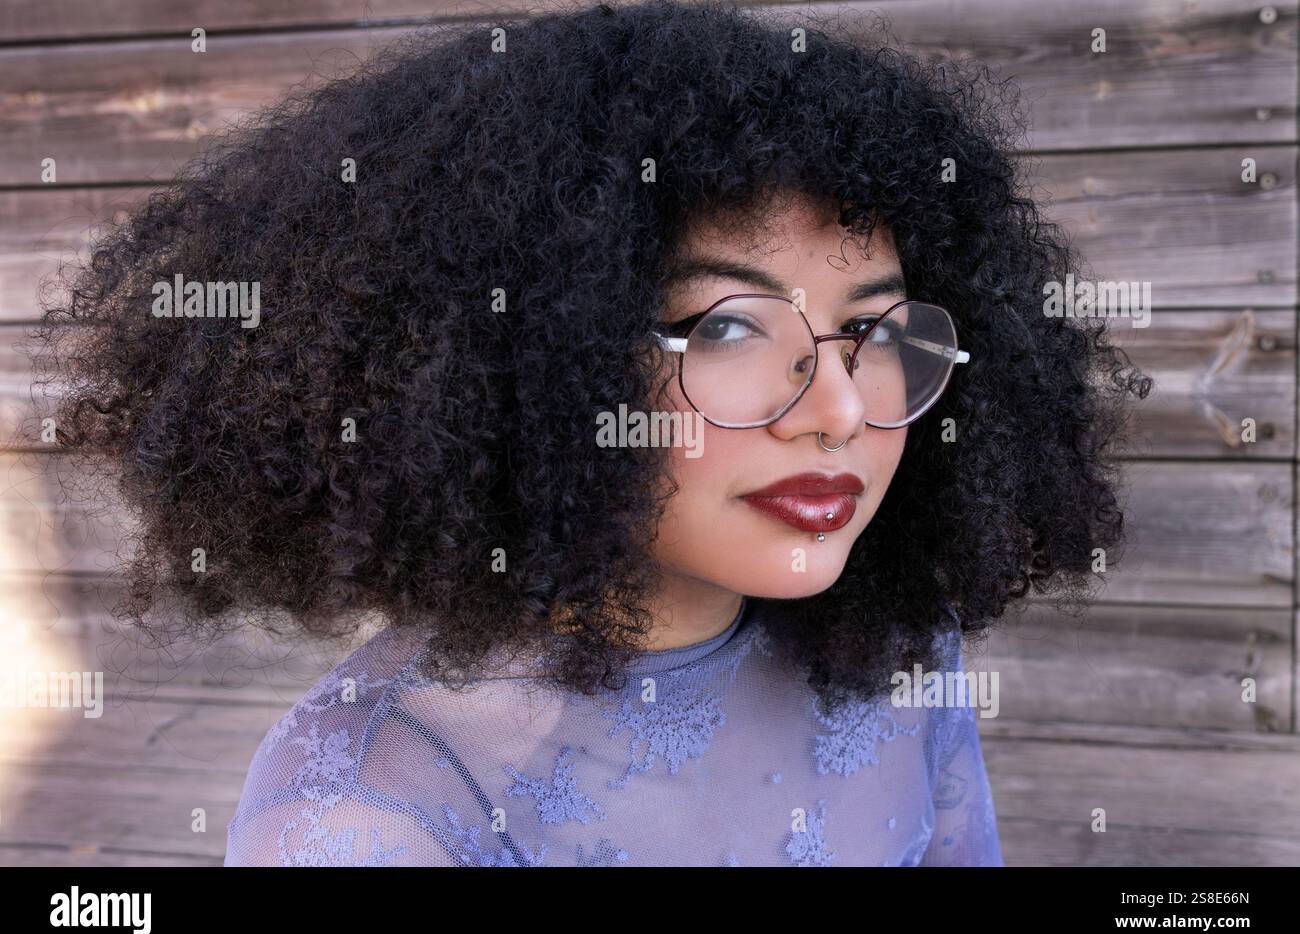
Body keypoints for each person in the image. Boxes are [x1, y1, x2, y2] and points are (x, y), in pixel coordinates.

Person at [32, 0, 1150, 866]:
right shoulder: (367, 809)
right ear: (527, 366)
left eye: (868, 327)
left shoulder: (902, 649)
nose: (842, 409)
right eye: (723, 325)